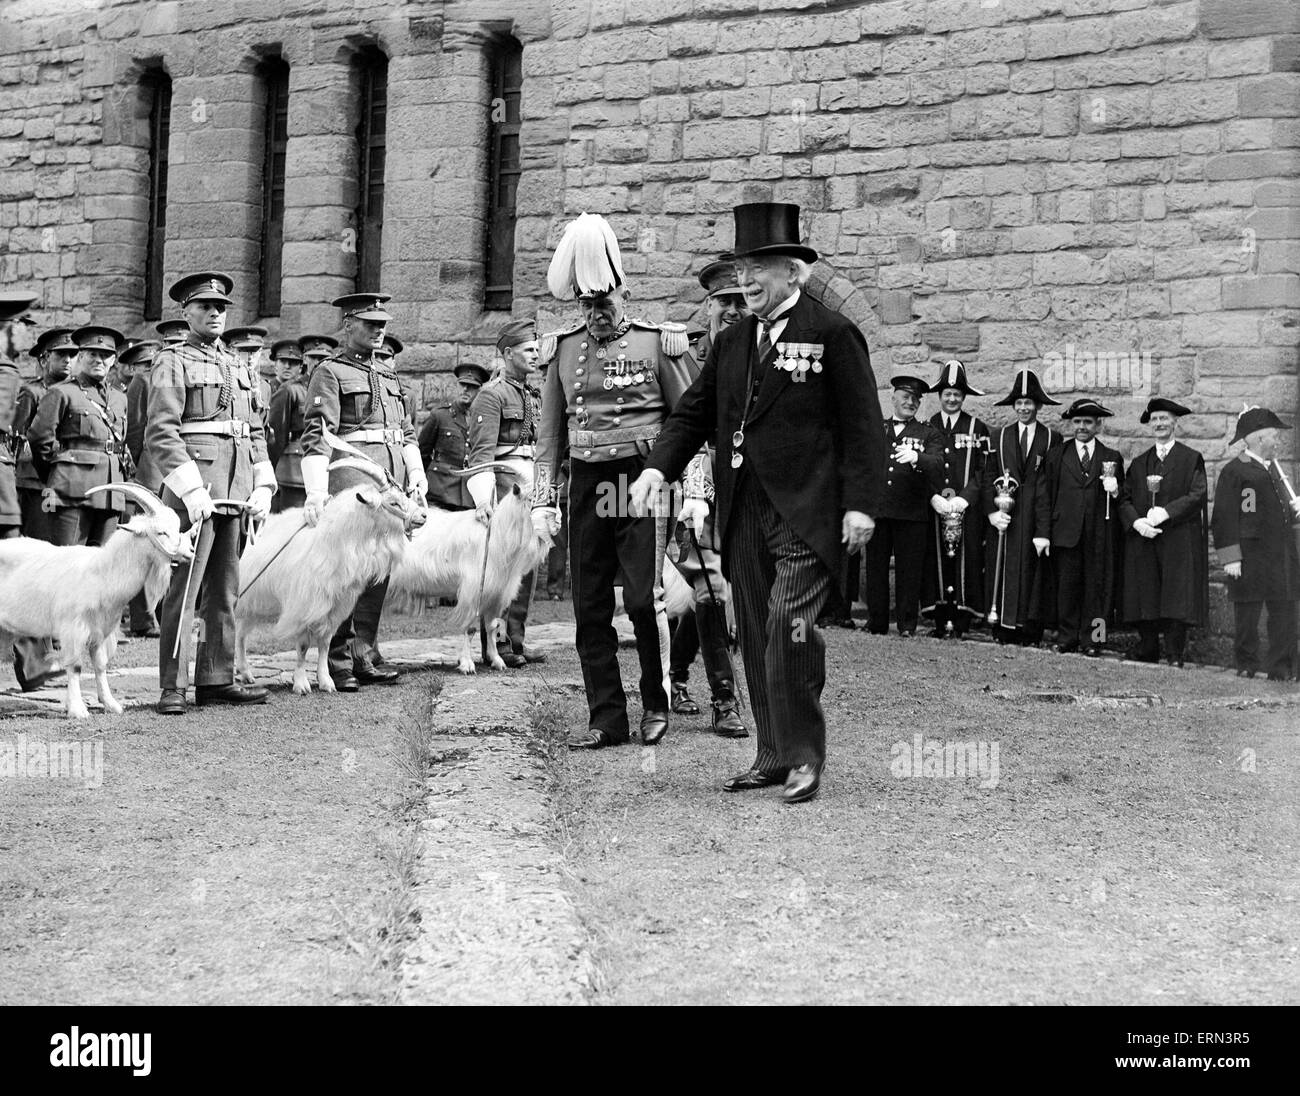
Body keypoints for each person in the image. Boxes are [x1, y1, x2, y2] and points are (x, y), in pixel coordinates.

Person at [630, 201, 885, 804]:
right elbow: (693, 412)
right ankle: (771, 754)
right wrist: (655, 468)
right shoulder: (736, 340)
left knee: (787, 627)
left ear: (794, 272)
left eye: (758, 270)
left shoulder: (832, 333)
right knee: (754, 628)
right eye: (741, 270)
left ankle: (803, 758)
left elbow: (864, 427)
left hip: (807, 511)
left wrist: (862, 505)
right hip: (742, 510)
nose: (745, 282)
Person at [532, 213, 696, 749]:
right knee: (590, 604)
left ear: (623, 293)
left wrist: (692, 491)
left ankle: (656, 700)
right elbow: (550, 434)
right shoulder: (562, 349)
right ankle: (606, 716)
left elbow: (686, 424)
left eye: (604, 304)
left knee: (644, 599)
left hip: (638, 481)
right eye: (587, 306)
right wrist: (542, 498)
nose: (596, 315)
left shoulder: (658, 344)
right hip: (585, 482)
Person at [146, 272, 276, 714]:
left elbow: (253, 430)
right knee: (184, 590)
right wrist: (189, 490)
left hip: (235, 490)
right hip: (194, 492)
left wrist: (263, 483)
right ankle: (173, 686)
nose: (215, 313)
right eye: (204, 307)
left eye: (220, 307)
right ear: (186, 313)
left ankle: (217, 678)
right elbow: (162, 433)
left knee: (226, 590)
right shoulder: (172, 360)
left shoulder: (239, 364)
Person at [299, 292, 427, 691]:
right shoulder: (330, 372)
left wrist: (416, 472)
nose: (379, 330)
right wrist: (316, 491)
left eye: (383, 324)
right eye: (370, 324)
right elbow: (319, 434)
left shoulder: (388, 375)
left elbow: (404, 431)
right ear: (348, 324)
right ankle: (336, 658)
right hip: (353, 485)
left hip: (389, 485)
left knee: (380, 569)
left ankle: (364, 652)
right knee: (346, 572)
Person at [665, 258, 748, 737]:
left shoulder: (758, 358)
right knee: (712, 589)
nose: (733, 311)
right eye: (724, 303)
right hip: (691, 494)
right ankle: (725, 700)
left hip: (741, 493)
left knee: (712, 595)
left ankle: (677, 676)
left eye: (741, 301)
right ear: (710, 306)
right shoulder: (684, 358)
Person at [467, 320, 548, 667]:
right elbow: (481, 456)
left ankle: (516, 637)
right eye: (528, 349)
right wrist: (484, 500)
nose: (535, 355)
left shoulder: (533, 393)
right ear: (507, 354)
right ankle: (494, 640)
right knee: (501, 567)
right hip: (505, 490)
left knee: (527, 564)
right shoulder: (491, 394)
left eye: (536, 348)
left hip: (531, 488)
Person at [1211, 406, 1300, 680]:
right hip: (1249, 556)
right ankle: (1247, 664)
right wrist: (1230, 558)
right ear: (1259, 439)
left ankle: (1280, 667)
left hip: (1279, 556)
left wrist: (1294, 509)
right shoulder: (1236, 471)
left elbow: (1278, 513)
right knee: (1248, 614)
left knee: (1283, 612)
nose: (1277, 441)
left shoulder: (1274, 470)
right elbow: (1224, 517)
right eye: (1274, 436)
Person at [1120, 398, 1208, 667]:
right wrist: (1137, 523)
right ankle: (1148, 649)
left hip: (1177, 537)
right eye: (1154, 419)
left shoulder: (1191, 458)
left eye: (1164, 418)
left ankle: (1173, 653)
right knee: (1146, 591)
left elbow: (1198, 495)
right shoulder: (1139, 463)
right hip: (1145, 540)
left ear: (1175, 422)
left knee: (1175, 594)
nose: (1159, 424)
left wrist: (1166, 512)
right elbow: (1124, 499)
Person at [27, 325, 130, 548]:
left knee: (104, 567)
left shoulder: (119, 399)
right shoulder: (62, 392)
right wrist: (58, 472)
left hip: (111, 492)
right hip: (71, 491)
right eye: (92, 354)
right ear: (81, 356)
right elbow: (38, 439)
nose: (99, 360)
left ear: (114, 360)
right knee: (68, 565)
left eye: (105, 355)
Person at [1036, 398, 1124, 656]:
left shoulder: (1111, 457)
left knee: (1098, 589)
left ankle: (1095, 640)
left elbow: (1122, 499)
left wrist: (1115, 488)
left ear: (1098, 425)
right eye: (1077, 421)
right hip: (1066, 532)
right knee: (1067, 588)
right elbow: (1044, 498)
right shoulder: (1056, 456)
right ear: (1071, 424)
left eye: (1088, 422)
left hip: (1099, 535)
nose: (1082, 426)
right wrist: (1043, 533)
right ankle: (1067, 638)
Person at [983, 369, 1062, 645]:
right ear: (1013, 405)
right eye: (1019, 403)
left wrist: (1044, 530)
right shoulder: (999, 436)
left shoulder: (1052, 438)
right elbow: (986, 478)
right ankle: (1002, 628)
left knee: (1033, 572)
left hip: (1035, 516)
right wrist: (992, 513)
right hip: (1007, 516)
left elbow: (1050, 487)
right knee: (1003, 568)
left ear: (1038, 406)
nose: (1023, 408)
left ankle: (1029, 631)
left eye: (1029, 403)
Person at [864, 375, 944, 637]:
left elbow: (937, 463)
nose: (910, 403)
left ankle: (907, 624)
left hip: (911, 511)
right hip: (880, 509)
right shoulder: (878, 427)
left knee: (909, 571)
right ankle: (876, 622)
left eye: (915, 399)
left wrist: (918, 457)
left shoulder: (927, 432)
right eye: (906, 398)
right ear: (894, 398)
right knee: (876, 567)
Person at [920, 360, 990, 639]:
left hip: (965, 510)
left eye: (957, 394)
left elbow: (985, 470)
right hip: (934, 507)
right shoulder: (927, 426)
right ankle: (939, 619)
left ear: (964, 397)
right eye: (947, 394)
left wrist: (965, 498)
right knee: (933, 559)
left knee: (967, 558)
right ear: (940, 396)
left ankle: (962, 619)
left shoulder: (978, 428)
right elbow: (919, 469)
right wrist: (933, 496)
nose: (952, 398)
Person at [14, 327, 77, 541]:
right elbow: (18, 438)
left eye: (73, 355)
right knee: (37, 542)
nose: (68, 360)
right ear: (44, 360)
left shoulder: (78, 395)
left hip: (68, 479)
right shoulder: (32, 392)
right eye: (61, 355)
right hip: (36, 481)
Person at [120, 339, 164, 636]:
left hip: (168, 468)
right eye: (146, 364)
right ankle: (143, 619)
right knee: (142, 544)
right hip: (149, 469)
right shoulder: (140, 381)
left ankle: (157, 615)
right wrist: (140, 463)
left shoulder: (168, 380)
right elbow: (135, 430)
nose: (149, 368)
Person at [419, 363, 487, 511]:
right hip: (440, 491)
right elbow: (422, 454)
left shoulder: (484, 419)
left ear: (479, 390)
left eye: (472, 386)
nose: (465, 389)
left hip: (470, 495)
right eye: (462, 384)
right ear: (456, 386)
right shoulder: (440, 415)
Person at [266, 340, 308, 512]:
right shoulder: (266, 388)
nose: (287, 366)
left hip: (295, 462)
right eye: (283, 361)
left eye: (294, 363)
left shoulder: (303, 391)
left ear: (300, 367)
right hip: (277, 460)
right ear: (275, 364)